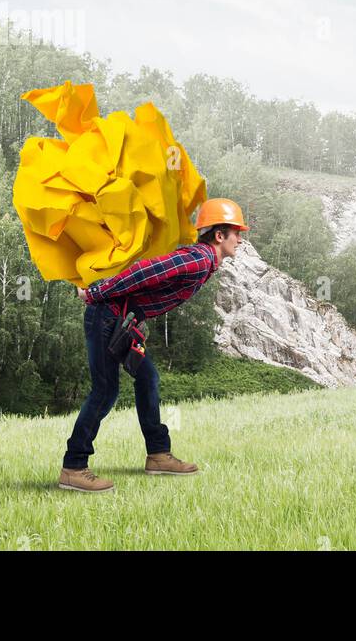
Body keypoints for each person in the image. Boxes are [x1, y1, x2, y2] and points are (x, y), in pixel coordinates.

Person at [57, 197, 249, 493]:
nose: (241, 238)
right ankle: (74, 466)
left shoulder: (205, 262)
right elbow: (145, 272)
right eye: (237, 232)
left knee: (148, 377)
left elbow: (151, 286)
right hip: (106, 314)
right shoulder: (198, 259)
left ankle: (158, 455)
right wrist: (96, 292)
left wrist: (136, 320)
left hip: (120, 320)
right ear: (220, 235)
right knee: (105, 391)